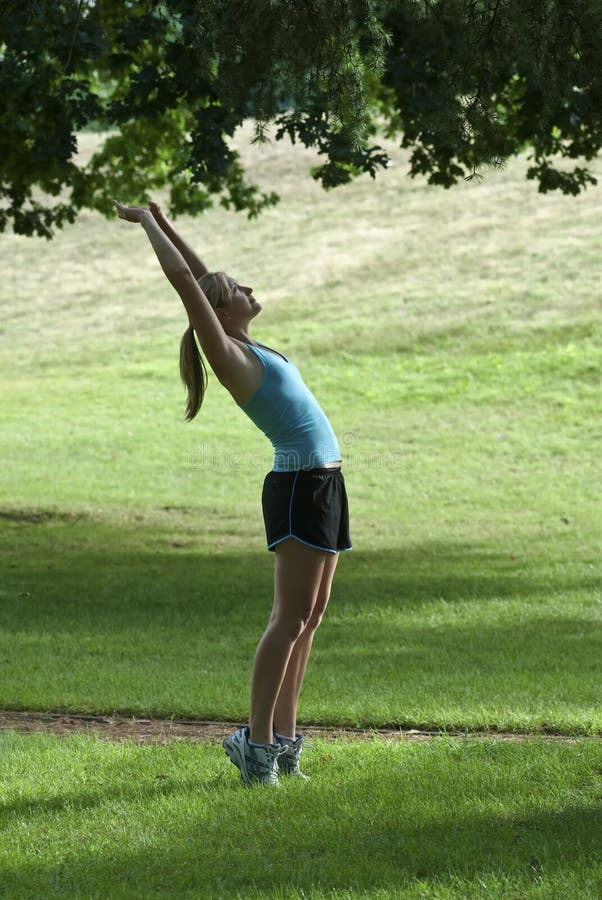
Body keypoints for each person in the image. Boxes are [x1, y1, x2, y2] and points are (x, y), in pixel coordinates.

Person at [112, 200, 352, 786]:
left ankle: (285, 744)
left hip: (324, 483)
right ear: (218, 312)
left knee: (310, 617)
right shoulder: (230, 355)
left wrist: (162, 218)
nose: (248, 287)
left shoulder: (252, 343)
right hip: (297, 487)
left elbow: (201, 274)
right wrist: (146, 228)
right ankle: (256, 746)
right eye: (237, 288)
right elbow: (186, 282)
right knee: (287, 619)